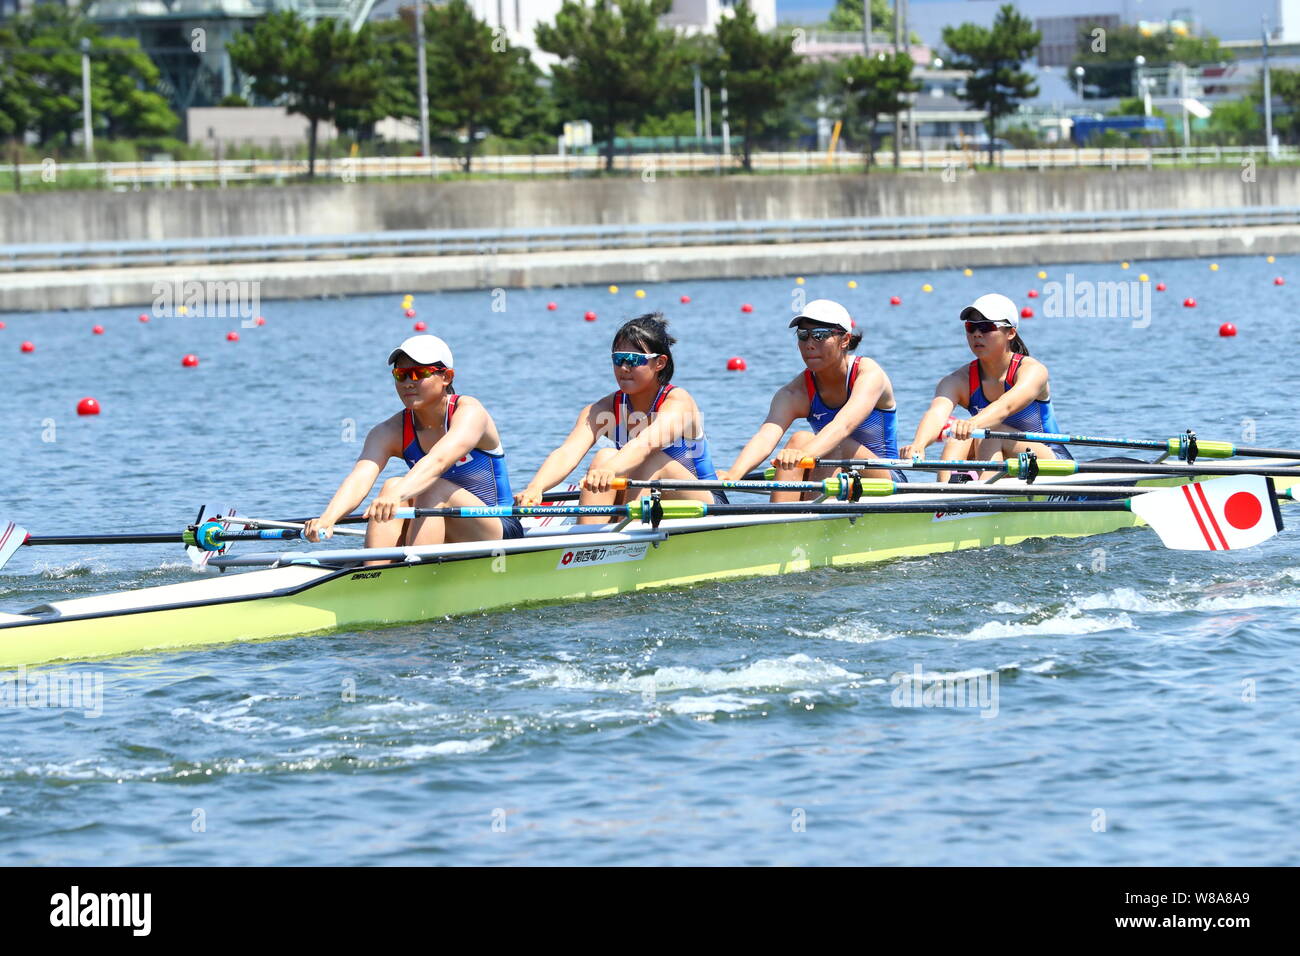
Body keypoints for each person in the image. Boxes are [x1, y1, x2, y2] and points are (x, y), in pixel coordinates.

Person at [304, 334, 523, 547]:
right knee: (392, 485)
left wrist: (396, 495)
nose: (408, 382)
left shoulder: (470, 413)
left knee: (426, 488)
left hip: (498, 527)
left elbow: (438, 461)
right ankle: (373, 573)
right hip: (441, 524)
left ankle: (412, 574)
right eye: (401, 374)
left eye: (419, 373)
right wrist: (328, 518)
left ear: (446, 377)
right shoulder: (388, 431)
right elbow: (360, 477)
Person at [515, 313, 723, 525]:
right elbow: (567, 451)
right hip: (645, 499)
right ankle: (588, 542)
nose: (623, 368)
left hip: (706, 504)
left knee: (648, 459)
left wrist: (609, 471)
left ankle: (624, 541)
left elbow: (646, 444)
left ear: (659, 363)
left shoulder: (678, 401)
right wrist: (536, 487)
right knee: (603, 456)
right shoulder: (604, 408)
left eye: (633, 360)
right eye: (618, 359)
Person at [723, 299, 903, 502]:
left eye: (820, 335)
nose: (809, 345)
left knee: (826, 445)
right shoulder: (795, 392)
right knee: (799, 439)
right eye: (803, 335)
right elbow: (765, 438)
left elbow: (842, 427)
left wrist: (802, 454)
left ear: (845, 340)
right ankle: (782, 521)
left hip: (887, 479)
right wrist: (734, 474)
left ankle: (805, 519)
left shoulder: (868, 373)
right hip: (833, 471)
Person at [901, 292, 1071, 481]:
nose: (977, 334)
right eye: (970, 327)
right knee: (957, 439)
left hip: (1052, 461)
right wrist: (918, 445)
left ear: (1011, 332)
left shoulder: (1032, 371)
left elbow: (1005, 406)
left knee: (990, 433)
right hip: (1005, 464)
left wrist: (972, 424)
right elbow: (937, 414)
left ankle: (981, 497)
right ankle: (945, 500)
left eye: (986, 327)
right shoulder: (958, 380)